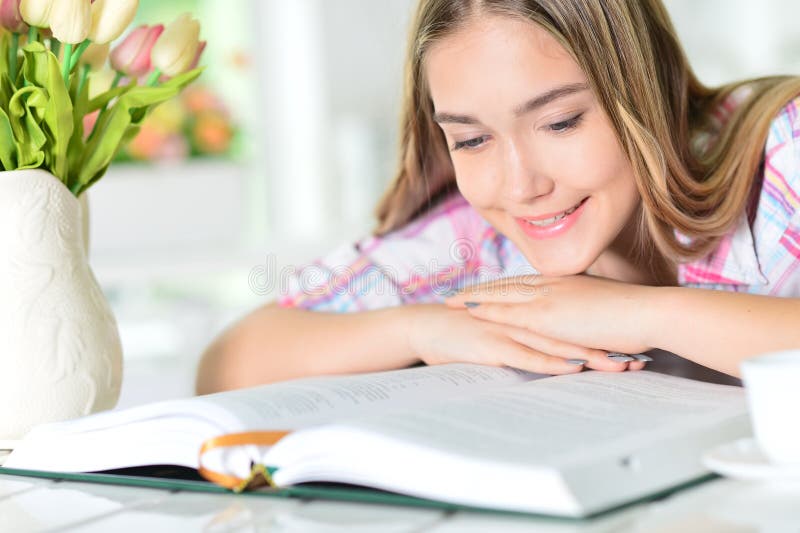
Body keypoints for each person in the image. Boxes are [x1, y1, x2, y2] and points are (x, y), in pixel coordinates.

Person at [196, 0, 800, 394]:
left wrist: (635, 314)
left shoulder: (783, 149)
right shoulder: (474, 239)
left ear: (647, 87)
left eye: (560, 122)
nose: (520, 186)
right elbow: (227, 365)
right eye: (472, 139)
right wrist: (418, 331)